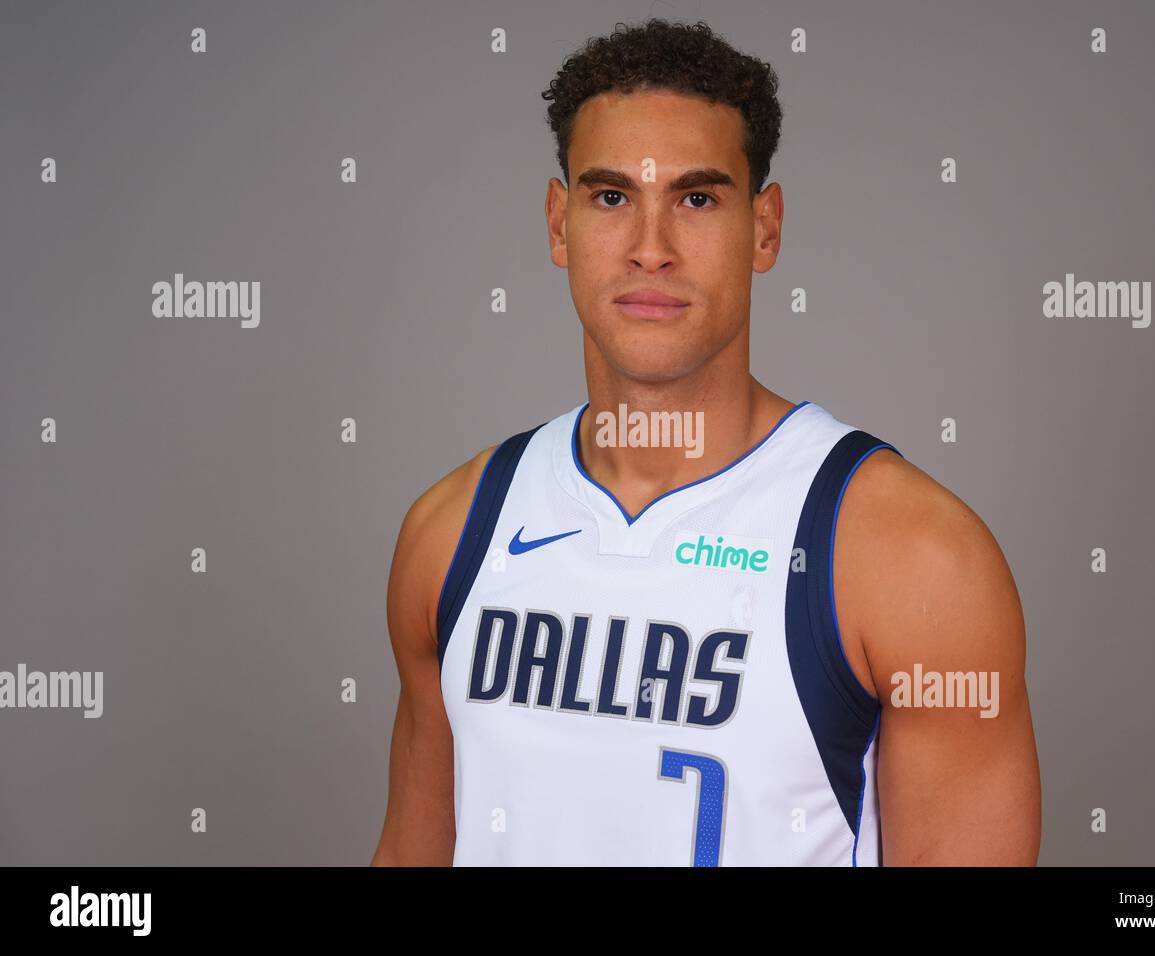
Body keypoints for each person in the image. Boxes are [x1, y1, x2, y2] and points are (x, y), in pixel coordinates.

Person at [371, 18, 1040, 866]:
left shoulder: (911, 559)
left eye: (696, 199)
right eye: (611, 197)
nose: (651, 250)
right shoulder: (454, 534)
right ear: (557, 222)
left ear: (765, 228)